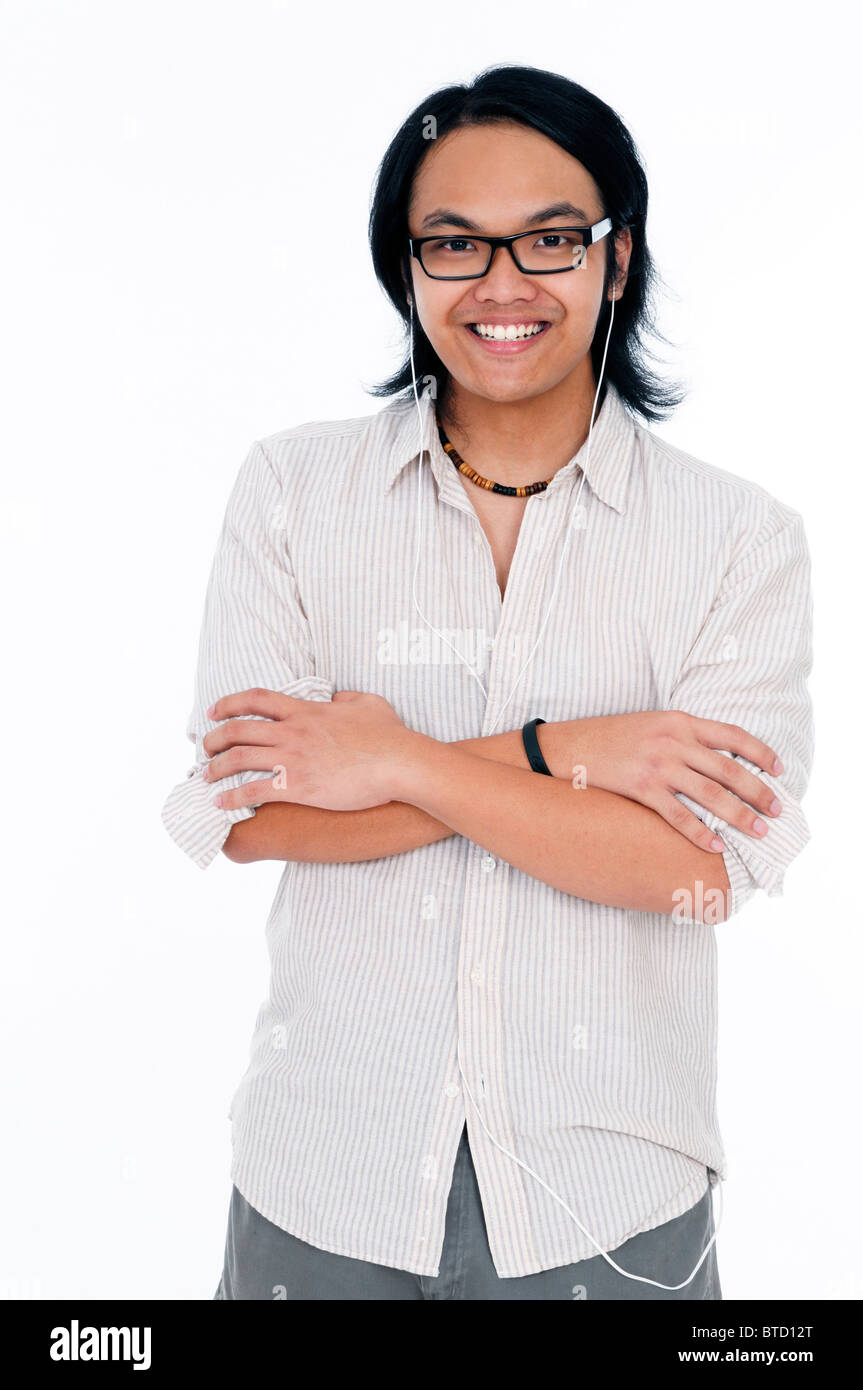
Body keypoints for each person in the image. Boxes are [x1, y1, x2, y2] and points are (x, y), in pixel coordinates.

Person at [162, 64, 813, 1301]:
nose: (502, 284)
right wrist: (568, 751)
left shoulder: (736, 538)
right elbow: (252, 816)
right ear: (403, 266)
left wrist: (391, 760)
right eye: (454, 243)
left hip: (607, 1198)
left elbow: (693, 870)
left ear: (615, 260)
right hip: (327, 1177)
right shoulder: (295, 494)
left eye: (550, 240)